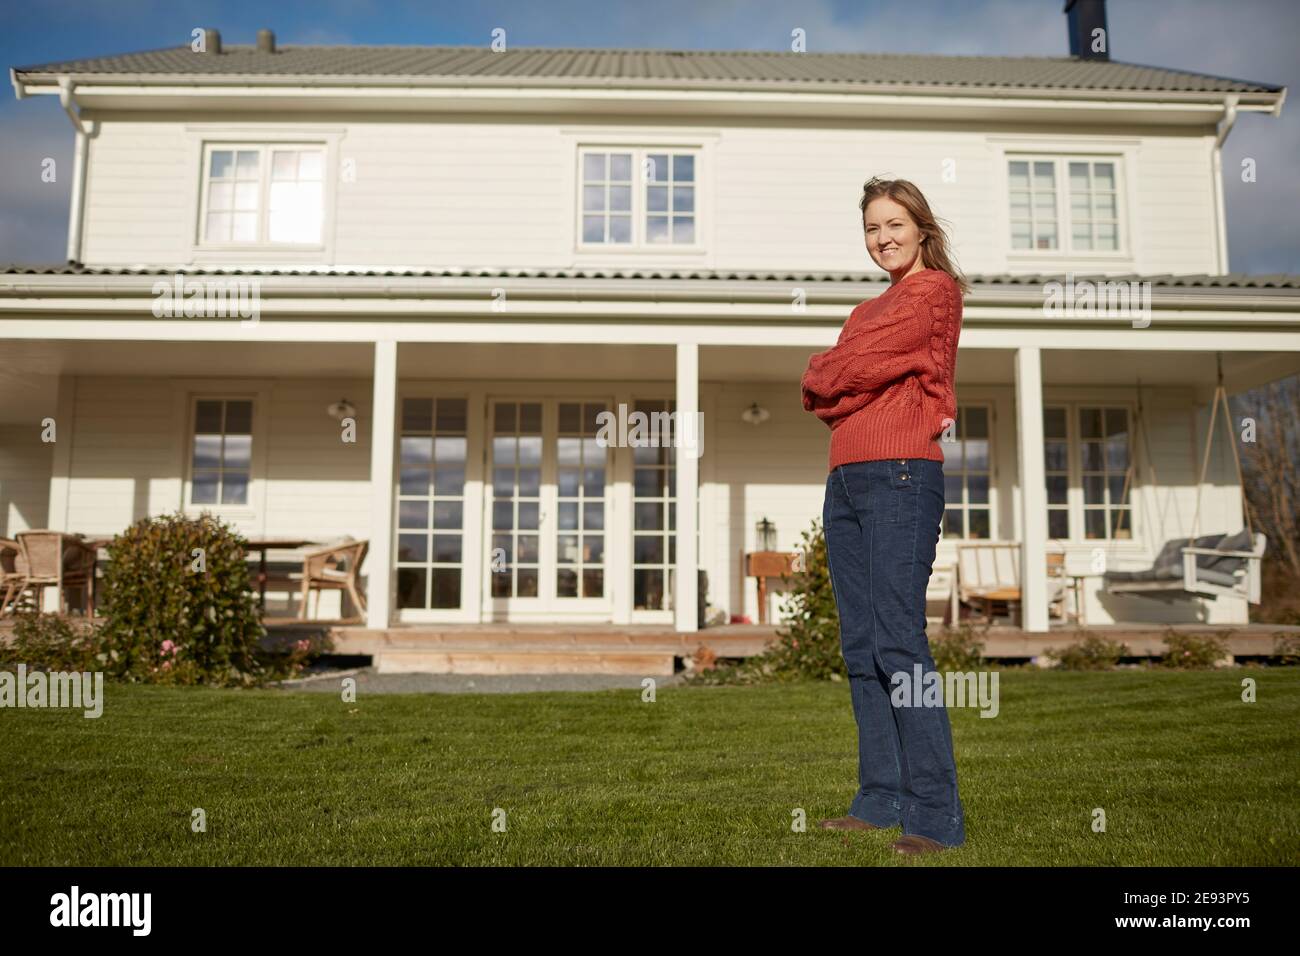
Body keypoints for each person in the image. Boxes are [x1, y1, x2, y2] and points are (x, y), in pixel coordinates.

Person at [800, 176, 970, 855]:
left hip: (902, 475)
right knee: (861, 645)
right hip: (844, 480)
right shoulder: (864, 310)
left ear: (921, 228)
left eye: (894, 224)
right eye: (872, 228)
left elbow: (841, 372)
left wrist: (843, 369)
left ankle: (934, 815)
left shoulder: (935, 293)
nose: (883, 237)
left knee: (899, 643)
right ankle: (879, 799)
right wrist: (845, 371)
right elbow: (824, 390)